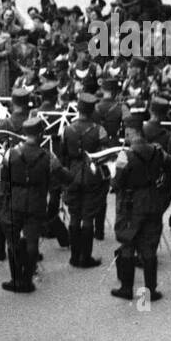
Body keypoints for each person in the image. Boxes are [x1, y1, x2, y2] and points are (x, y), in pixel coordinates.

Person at [110, 115, 171, 301]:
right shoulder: (157, 151)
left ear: (133, 132)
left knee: (128, 244)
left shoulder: (125, 155)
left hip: (131, 205)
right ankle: (148, 293)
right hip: (153, 201)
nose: (126, 135)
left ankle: (126, 288)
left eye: (127, 132)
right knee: (148, 247)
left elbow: (116, 183)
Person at [0, 116, 67, 293]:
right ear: (41, 134)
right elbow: (63, 176)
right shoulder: (48, 156)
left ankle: (15, 279)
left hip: (15, 201)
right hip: (36, 202)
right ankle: (27, 281)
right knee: (32, 241)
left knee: (12, 241)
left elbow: (2, 178)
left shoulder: (10, 153)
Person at [60, 92, 111, 268]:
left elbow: (63, 155)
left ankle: (74, 257)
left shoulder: (67, 129)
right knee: (88, 216)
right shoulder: (100, 130)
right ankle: (86, 258)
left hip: (73, 174)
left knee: (74, 215)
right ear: (91, 111)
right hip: (92, 174)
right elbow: (105, 154)